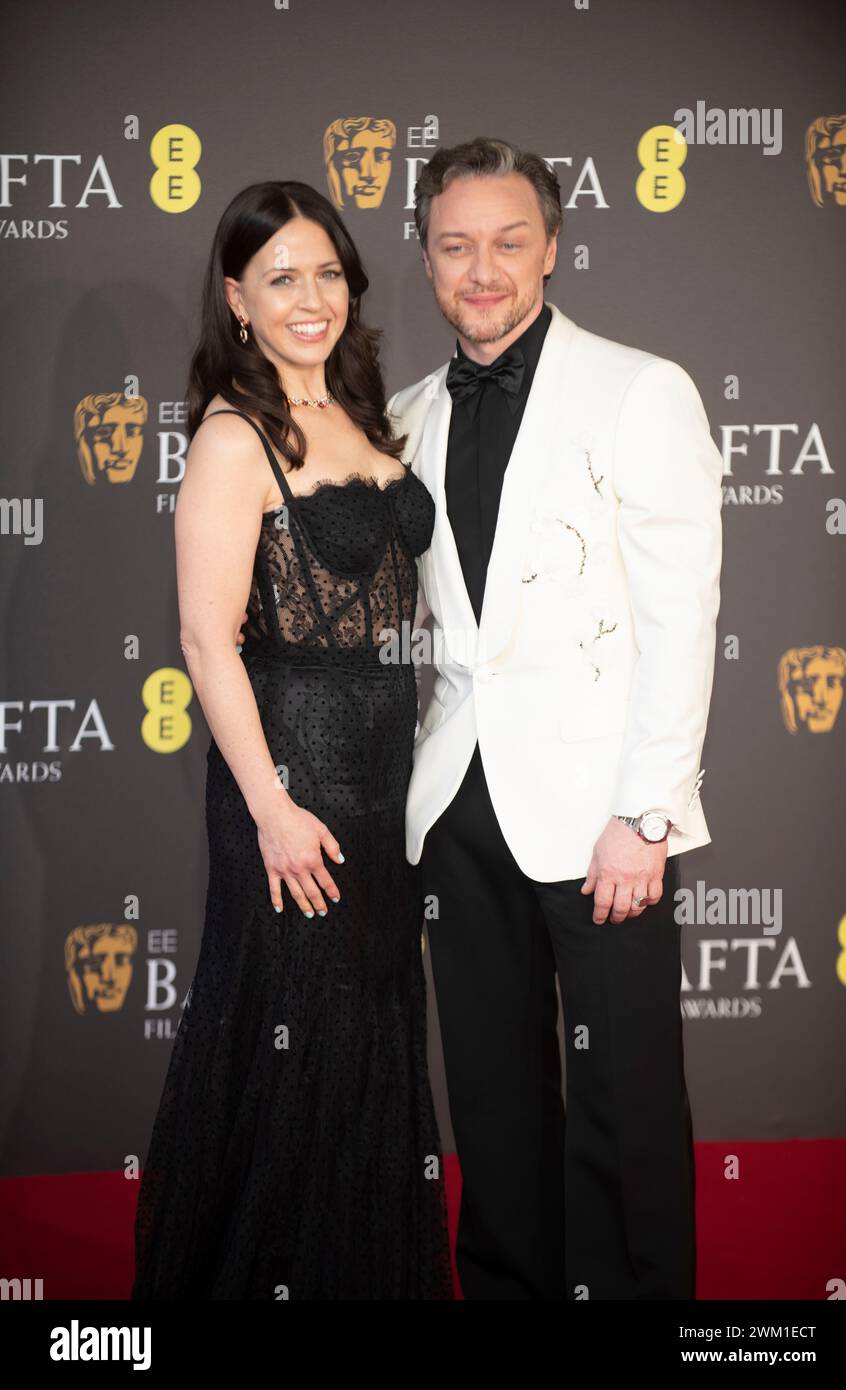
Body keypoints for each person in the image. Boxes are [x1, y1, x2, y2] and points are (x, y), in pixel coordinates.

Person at [386, 137, 724, 1300]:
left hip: (602, 820)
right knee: (491, 1096)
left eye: (507, 242)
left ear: (551, 247)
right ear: (425, 260)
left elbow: (683, 621)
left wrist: (647, 812)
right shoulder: (405, 414)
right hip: (460, 801)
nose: (482, 271)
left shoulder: (638, 387)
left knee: (626, 1099)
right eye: (455, 246)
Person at [130, 180, 452, 1300]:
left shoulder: (368, 413)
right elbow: (206, 641)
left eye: (325, 271)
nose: (308, 297)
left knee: (364, 1029)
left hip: (383, 774)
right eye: (280, 278)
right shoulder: (233, 435)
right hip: (292, 780)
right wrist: (269, 806)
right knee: (286, 1034)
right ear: (238, 298)